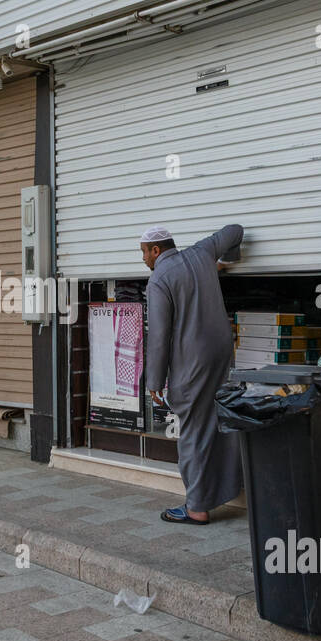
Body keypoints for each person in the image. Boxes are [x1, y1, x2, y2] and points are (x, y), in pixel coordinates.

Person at [143, 223, 246, 525]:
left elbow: (159, 336)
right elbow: (235, 230)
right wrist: (230, 260)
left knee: (192, 431)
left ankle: (197, 507)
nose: (144, 260)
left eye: (144, 253)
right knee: (219, 419)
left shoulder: (159, 280)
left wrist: (154, 380)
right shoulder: (202, 252)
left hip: (192, 362)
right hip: (221, 351)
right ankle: (229, 488)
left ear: (156, 250)